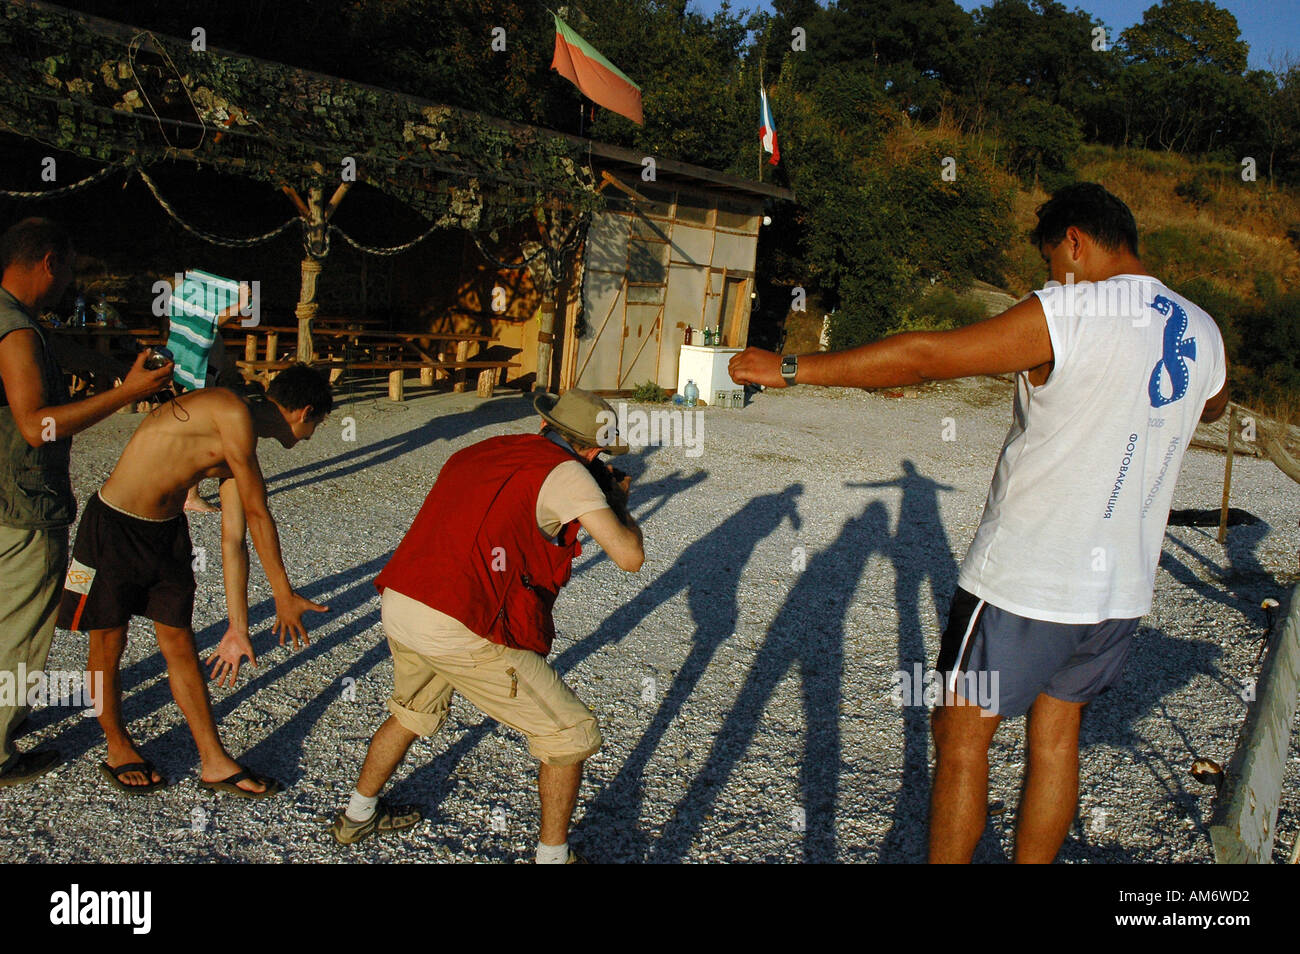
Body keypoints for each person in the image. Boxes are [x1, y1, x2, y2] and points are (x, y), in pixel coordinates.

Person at [729, 183, 1229, 864]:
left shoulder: (1073, 308)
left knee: (962, 734)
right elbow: (1214, 406)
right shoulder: (1201, 327)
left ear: (1075, 242)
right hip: (1119, 593)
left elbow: (927, 357)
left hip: (1025, 582)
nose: (1052, 277)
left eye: (1053, 261)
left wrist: (791, 369)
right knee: (1057, 735)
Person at [331, 388, 645, 862]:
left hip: (404, 600)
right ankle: (553, 857)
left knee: (411, 710)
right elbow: (629, 557)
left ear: (544, 424)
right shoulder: (568, 475)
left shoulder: (479, 449)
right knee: (571, 735)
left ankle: (358, 816)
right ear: (595, 449)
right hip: (461, 621)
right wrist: (617, 503)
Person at [56, 363, 333, 796]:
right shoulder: (230, 410)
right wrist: (283, 593)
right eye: (318, 423)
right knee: (107, 642)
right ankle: (117, 746)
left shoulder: (238, 446)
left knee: (181, 644)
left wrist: (238, 627)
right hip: (113, 527)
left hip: (166, 535)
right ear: (305, 411)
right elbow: (261, 511)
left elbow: (234, 539)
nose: (313, 434)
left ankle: (214, 760)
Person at [0, 217, 174, 787]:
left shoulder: (17, 321)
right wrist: (125, 395)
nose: (69, 280)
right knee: (21, 628)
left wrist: (121, 371)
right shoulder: (17, 330)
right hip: (24, 505)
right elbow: (35, 427)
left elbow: (64, 353)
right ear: (50, 261)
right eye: (70, 268)